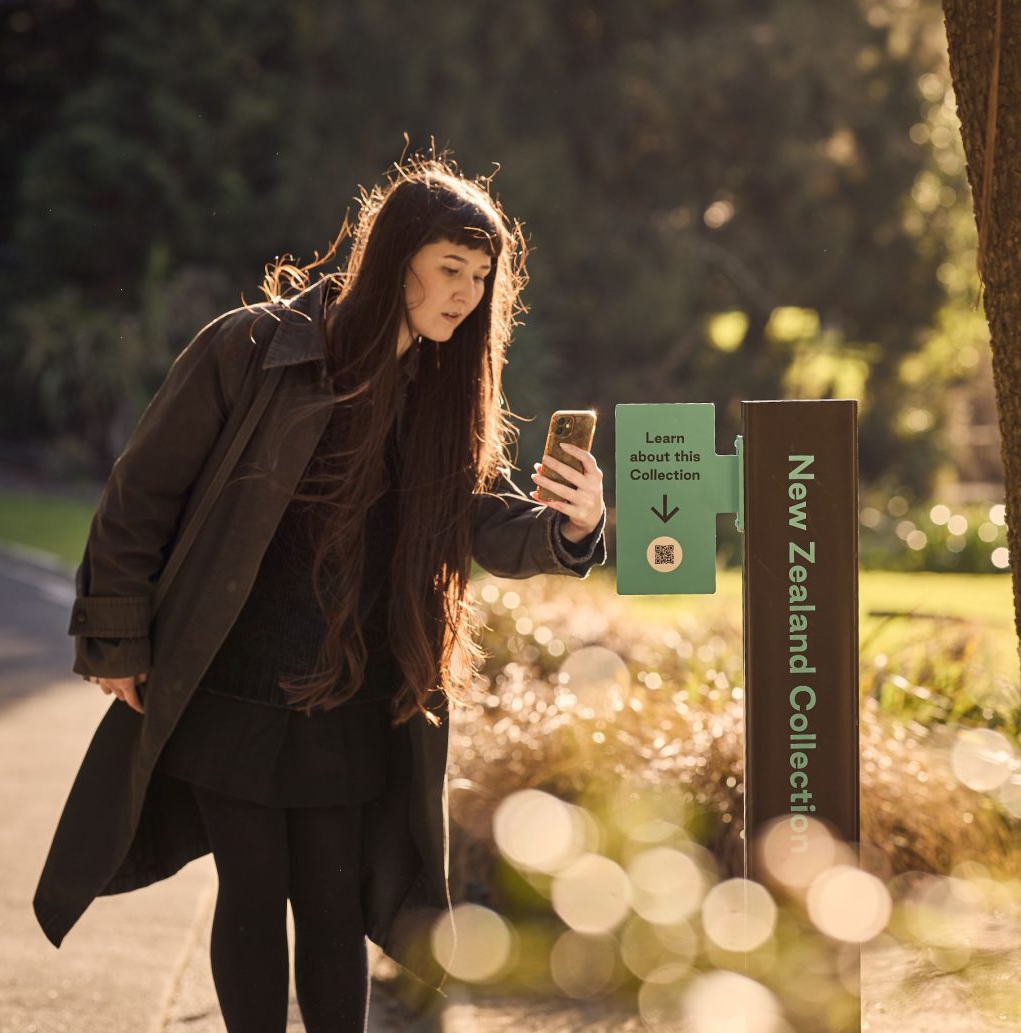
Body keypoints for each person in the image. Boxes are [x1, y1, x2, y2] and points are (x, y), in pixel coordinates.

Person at [32, 157, 608, 1033]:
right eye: (449, 269)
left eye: (481, 278)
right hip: (232, 682)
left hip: (352, 691)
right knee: (254, 894)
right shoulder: (252, 347)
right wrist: (118, 642)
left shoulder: (442, 391)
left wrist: (571, 528)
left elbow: (478, 519)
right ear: (393, 260)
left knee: (334, 910)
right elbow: (140, 494)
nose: (464, 294)